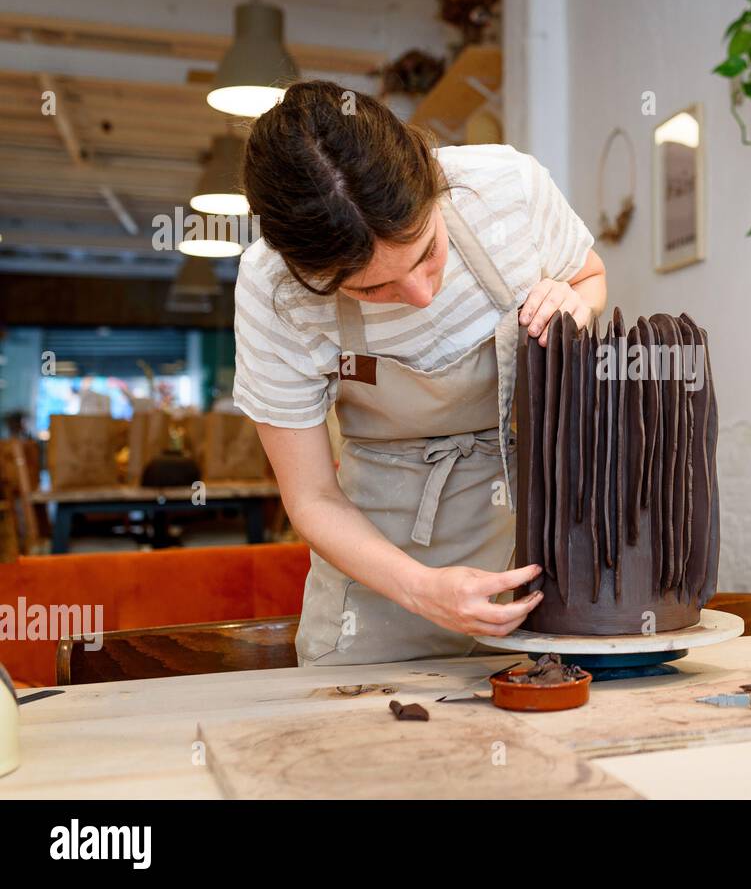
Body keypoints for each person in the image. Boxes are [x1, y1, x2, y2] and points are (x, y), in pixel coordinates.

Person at [232, 81, 606, 664]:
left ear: (433, 179)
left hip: (534, 542)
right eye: (372, 288)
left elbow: (588, 276)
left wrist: (575, 304)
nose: (421, 295)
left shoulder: (506, 188)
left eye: (428, 250)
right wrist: (421, 588)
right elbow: (311, 497)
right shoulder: (271, 290)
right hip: (379, 572)